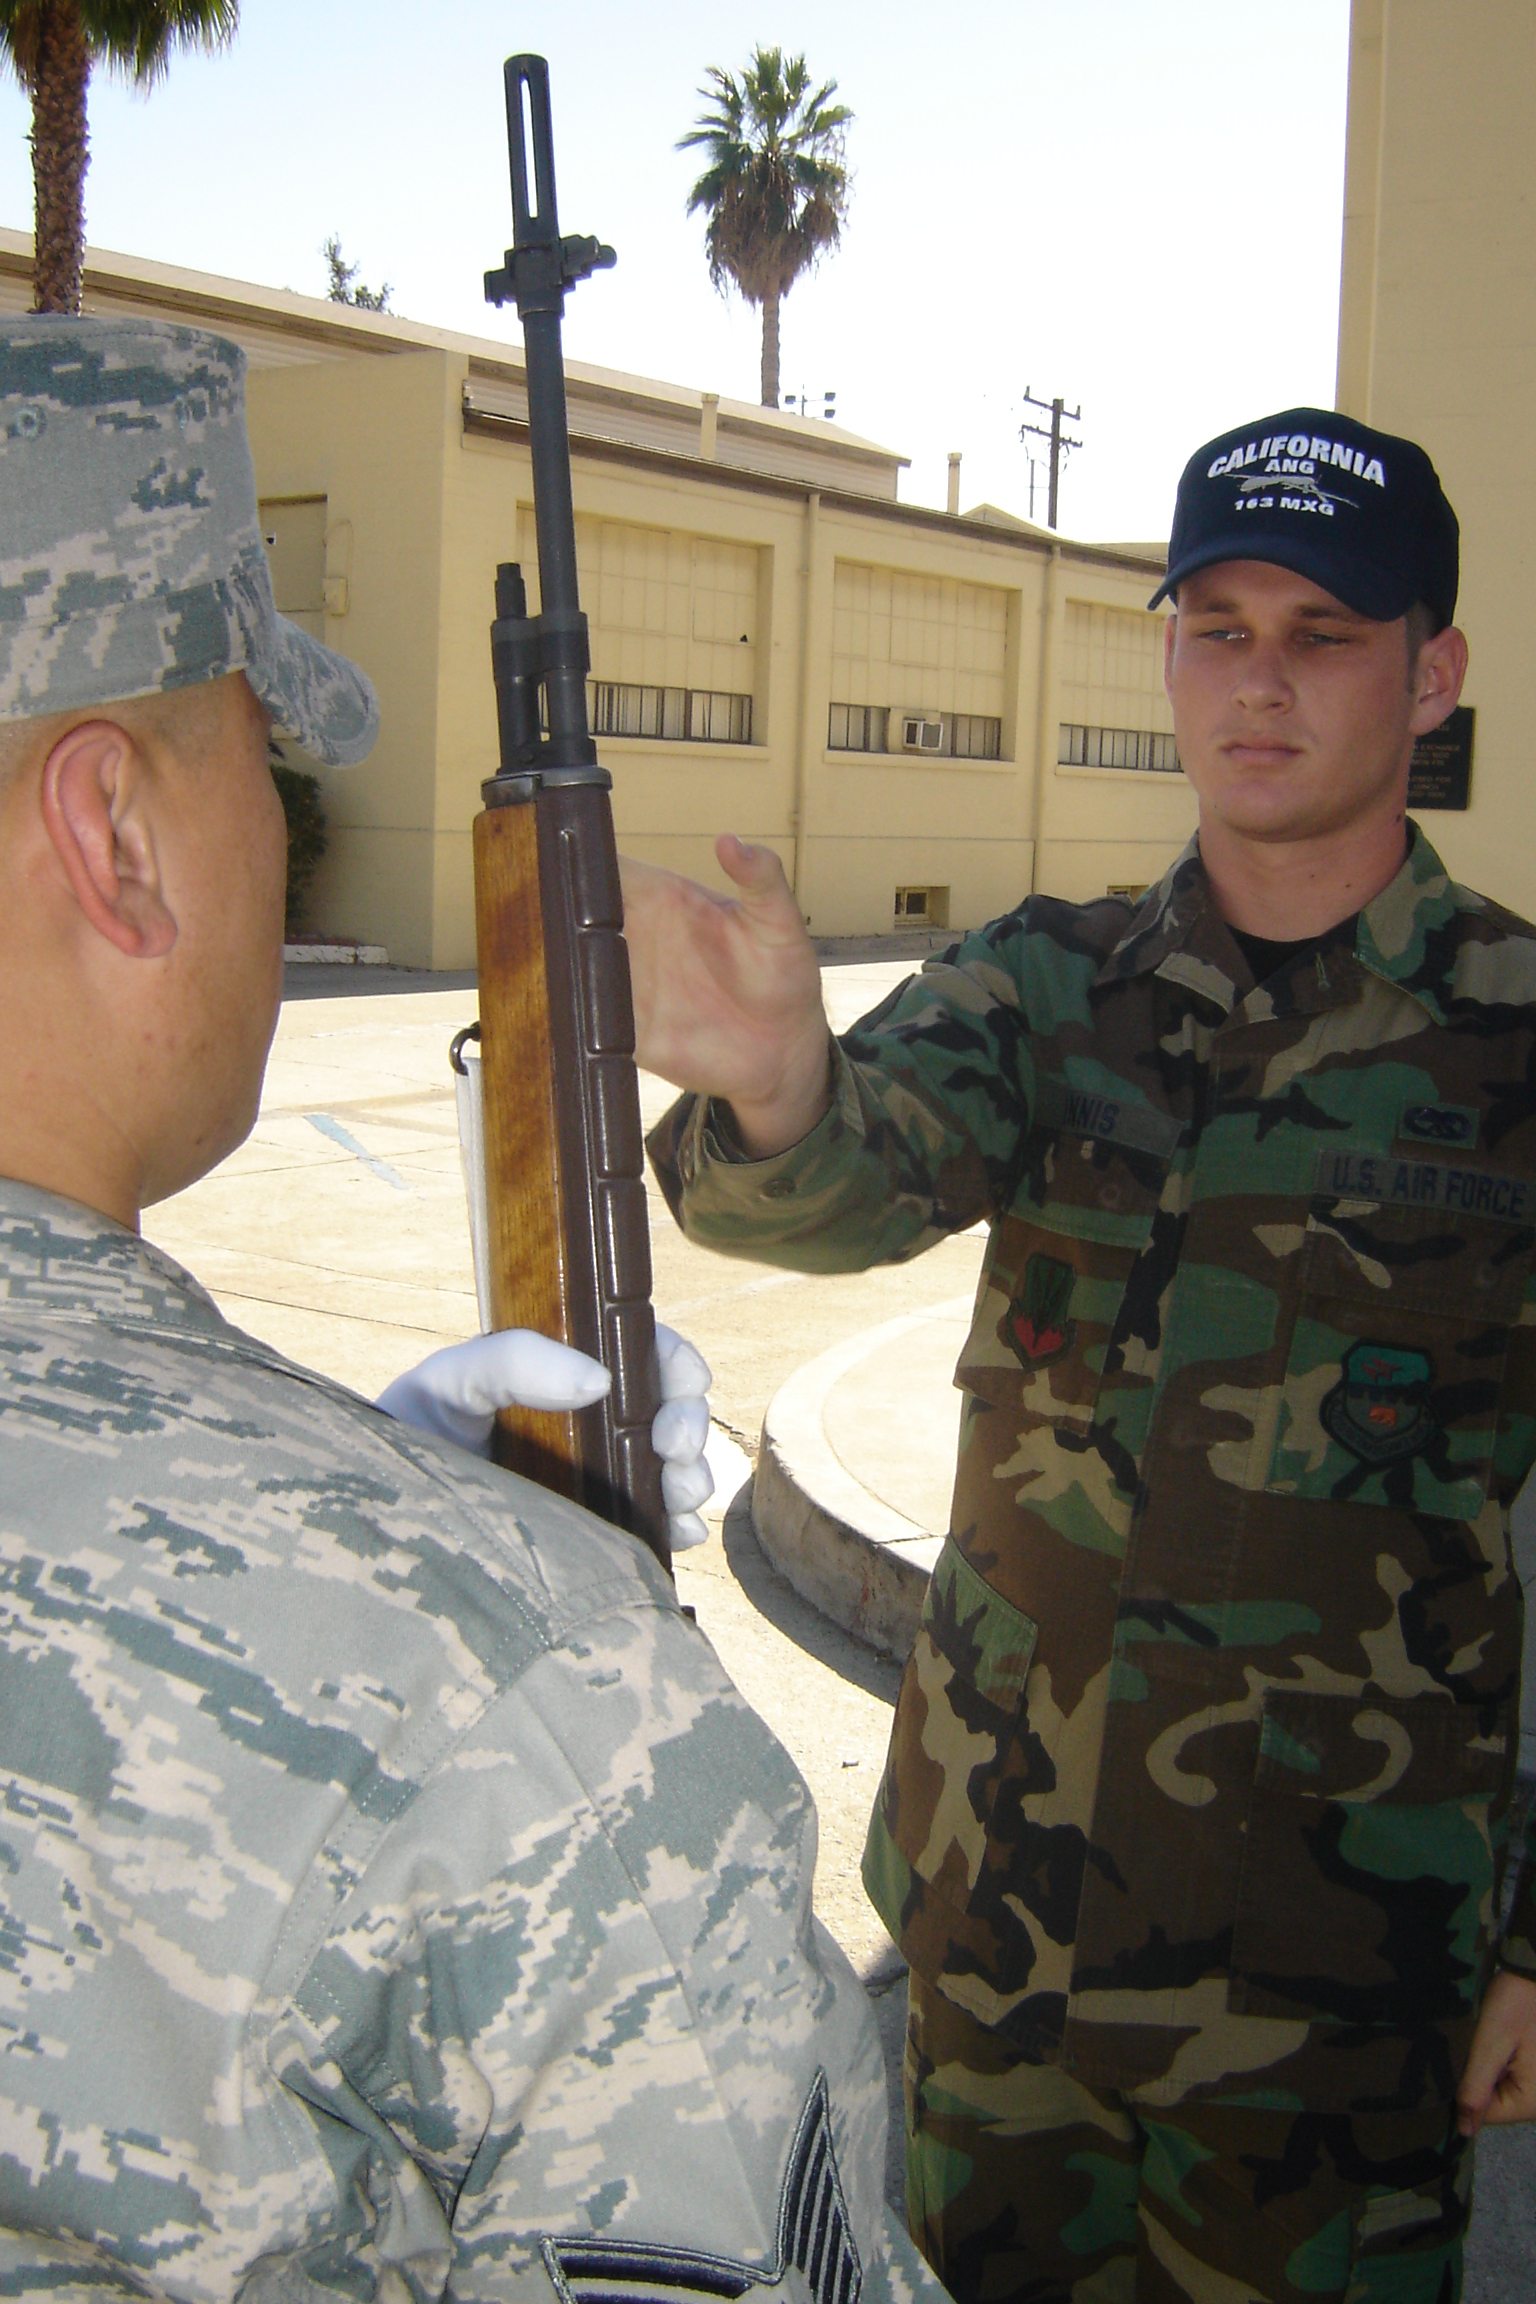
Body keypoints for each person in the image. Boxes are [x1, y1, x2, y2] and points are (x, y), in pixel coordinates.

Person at [0, 313, 942, 2304]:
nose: (284, 832)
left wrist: (345, 1484)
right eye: (263, 756)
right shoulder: (511, 1693)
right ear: (115, 831)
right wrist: (443, 1583)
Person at [625, 407, 1536, 2303]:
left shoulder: (1514, 1047)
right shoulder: (1051, 986)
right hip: (1000, 1943)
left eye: (1324, 632)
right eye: (1218, 627)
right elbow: (839, 1189)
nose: (1258, 682)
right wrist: (788, 1090)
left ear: (1433, 672)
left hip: (1333, 1987)